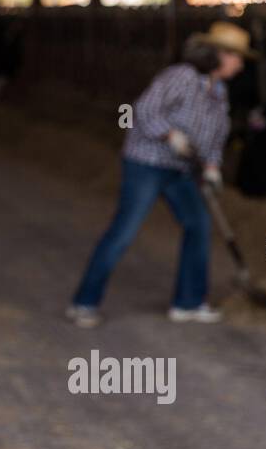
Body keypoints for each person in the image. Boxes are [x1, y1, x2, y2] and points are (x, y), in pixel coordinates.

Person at [65, 21, 256, 328]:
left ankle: (188, 303)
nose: (240, 64)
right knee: (124, 230)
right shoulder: (181, 77)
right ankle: (84, 303)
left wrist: (211, 166)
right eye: (236, 57)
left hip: (181, 170)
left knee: (198, 224)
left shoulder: (219, 92)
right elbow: (144, 109)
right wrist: (170, 136)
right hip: (148, 163)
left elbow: (215, 135)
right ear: (218, 54)